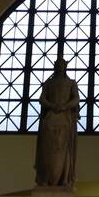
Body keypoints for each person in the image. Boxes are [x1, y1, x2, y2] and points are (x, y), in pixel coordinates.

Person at [34, 56, 79, 187]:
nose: (59, 67)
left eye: (62, 64)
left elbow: (76, 99)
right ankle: (47, 178)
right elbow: (42, 99)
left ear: (65, 67)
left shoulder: (71, 83)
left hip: (65, 119)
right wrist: (52, 106)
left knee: (64, 149)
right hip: (51, 118)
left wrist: (64, 106)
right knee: (48, 150)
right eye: (57, 64)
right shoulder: (49, 83)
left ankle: (64, 179)